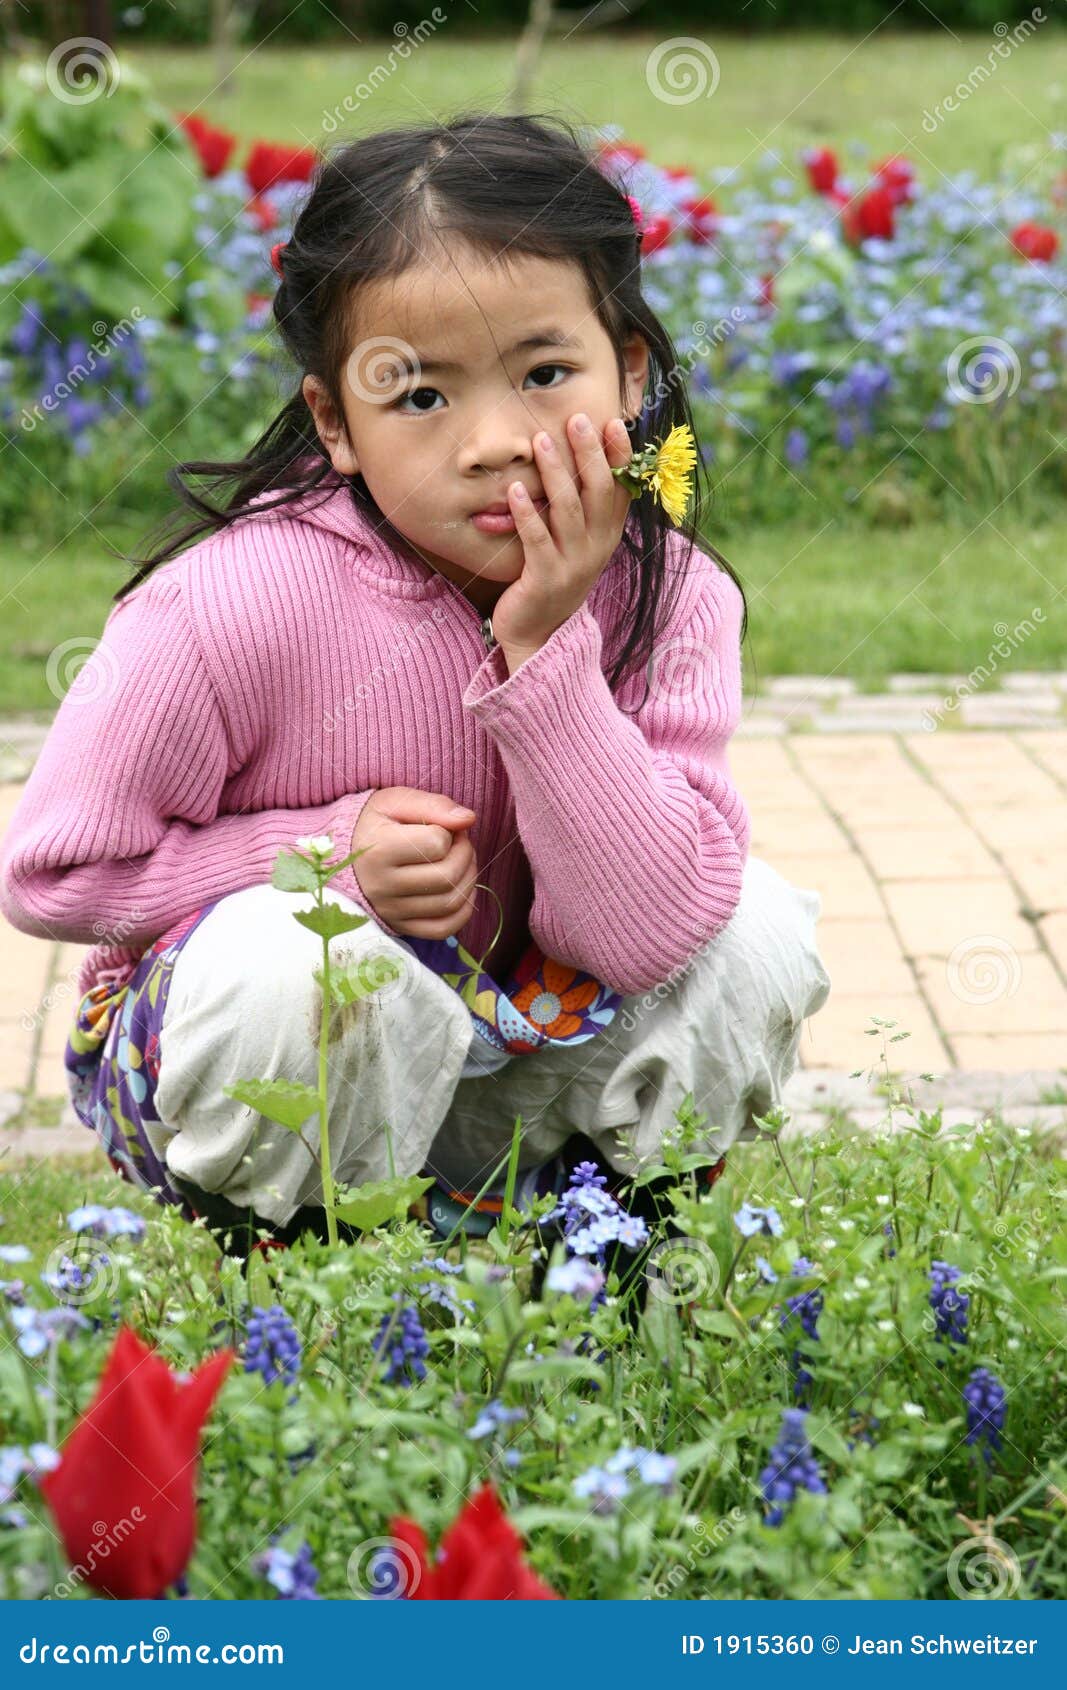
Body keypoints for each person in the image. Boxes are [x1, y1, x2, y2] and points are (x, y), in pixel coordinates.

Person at [0, 112, 831, 1259]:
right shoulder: (232, 602)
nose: (494, 440)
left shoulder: (668, 595)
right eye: (420, 395)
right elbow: (52, 871)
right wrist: (323, 855)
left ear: (628, 373)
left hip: (525, 1067)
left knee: (749, 923)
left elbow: (642, 936)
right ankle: (288, 1264)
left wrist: (546, 651)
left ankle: (606, 1248)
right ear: (335, 420)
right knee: (295, 953)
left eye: (545, 373)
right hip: (279, 1093)